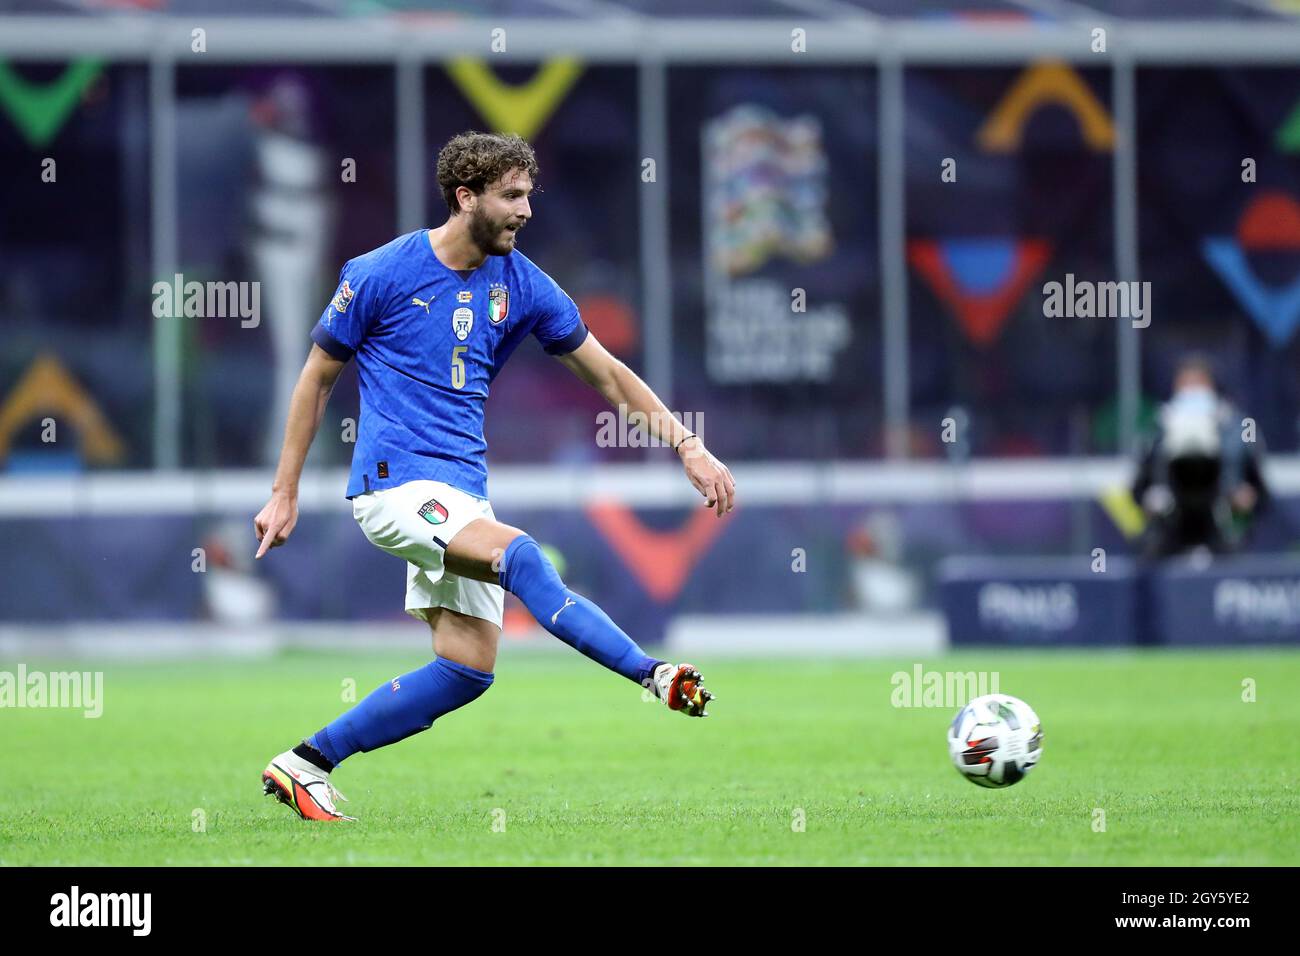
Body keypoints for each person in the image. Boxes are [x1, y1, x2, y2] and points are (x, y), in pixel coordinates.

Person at [252, 132, 734, 821]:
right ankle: (652, 673)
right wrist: (284, 490)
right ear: (465, 197)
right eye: (511, 195)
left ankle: (305, 763)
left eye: (529, 194)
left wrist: (688, 445)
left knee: (465, 670)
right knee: (522, 555)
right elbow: (316, 378)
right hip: (394, 487)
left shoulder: (524, 284)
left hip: (460, 492)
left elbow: (610, 376)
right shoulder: (381, 272)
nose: (527, 210)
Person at [1131, 354, 1268, 559]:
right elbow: (1138, 489)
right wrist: (1151, 500)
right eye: (1185, 385)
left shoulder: (1238, 430)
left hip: (1222, 531)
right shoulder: (1156, 429)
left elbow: (1261, 493)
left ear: (1211, 386)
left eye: (1198, 384)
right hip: (1169, 532)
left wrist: (1245, 499)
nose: (1192, 392)